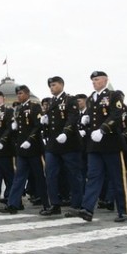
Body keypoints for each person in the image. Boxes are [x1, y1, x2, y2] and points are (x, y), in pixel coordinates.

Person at [67, 71, 127, 222]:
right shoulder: (91, 98)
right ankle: (87, 209)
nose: (94, 82)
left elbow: (117, 115)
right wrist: (86, 121)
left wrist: (103, 129)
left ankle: (123, 210)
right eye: (93, 80)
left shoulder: (113, 96)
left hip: (111, 143)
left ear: (105, 80)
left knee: (117, 177)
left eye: (97, 79)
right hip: (94, 145)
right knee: (93, 177)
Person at [42, 76, 83, 216]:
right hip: (54, 143)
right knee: (50, 173)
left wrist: (66, 132)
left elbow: (73, 117)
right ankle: (55, 204)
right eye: (50, 86)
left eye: (53, 85)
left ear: (61, 85)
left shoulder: (70, 99)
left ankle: (77, 204)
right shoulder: (52, 101)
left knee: (74, 174)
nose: (51, 88)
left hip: (69, 142)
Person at [2, 85, 44, 214]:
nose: (19, 96)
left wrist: (29, 140)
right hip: (21, 149)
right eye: (17, 94)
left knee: (39, 177)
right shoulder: (19, 109)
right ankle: (13, 204)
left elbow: (38, 126)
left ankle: (47, 202)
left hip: (32, 148)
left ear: (27, 93)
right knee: (19, 177)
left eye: (20, 93)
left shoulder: (34, 107)